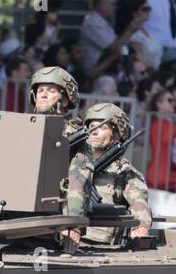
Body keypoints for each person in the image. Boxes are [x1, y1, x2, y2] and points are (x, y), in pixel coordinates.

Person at [62, 102, 152, 248]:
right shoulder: (72, 163)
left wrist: (141, 226)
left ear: (117, 134)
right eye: (91, 127)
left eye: (103, 127)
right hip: (63, 238)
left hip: (101, 247)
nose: (94, 132)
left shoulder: (124, 173)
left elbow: (139, 202)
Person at [29, 66, 83, 140]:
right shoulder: (24, 126)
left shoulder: (76, 135)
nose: (43, 95)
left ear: (65, 101)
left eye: (51, 91)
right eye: (40, 91)